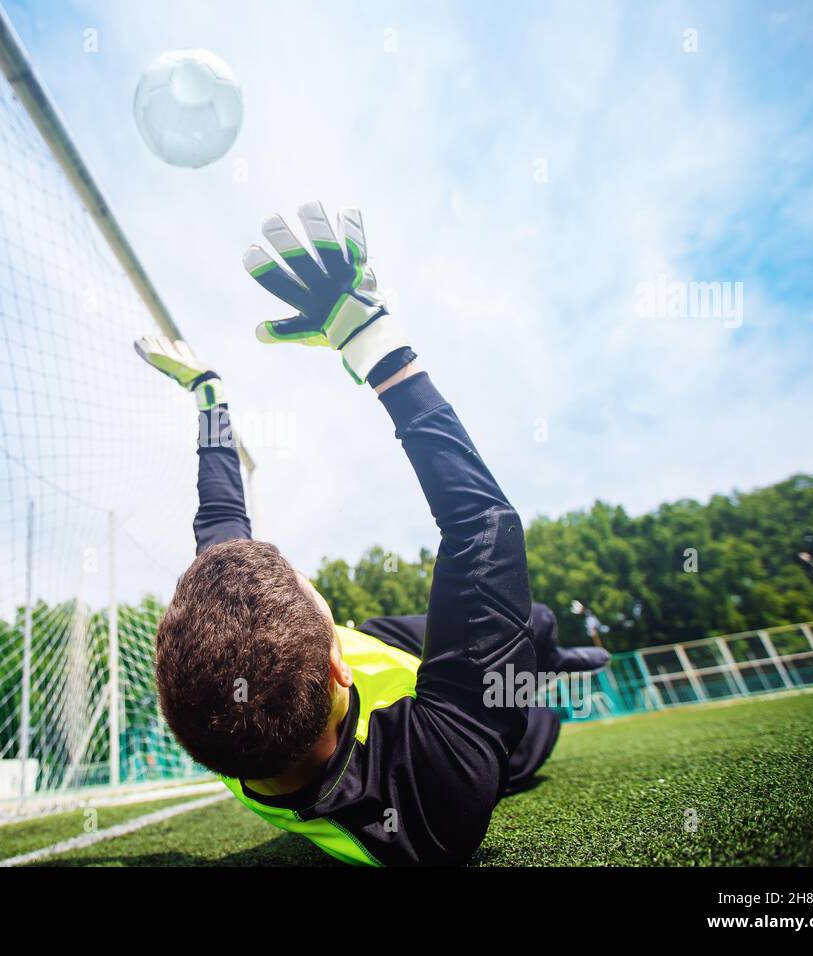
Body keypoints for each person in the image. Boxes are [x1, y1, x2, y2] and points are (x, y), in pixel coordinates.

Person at [134, 202, 609, 865]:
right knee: (525, 640)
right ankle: (549, 666)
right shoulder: (435, 792)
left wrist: (210, 394)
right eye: (313, 596)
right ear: (336, 664)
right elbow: (482, 527)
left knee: (534, 623)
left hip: (384, 656)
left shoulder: (220, 716)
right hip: (498, 723)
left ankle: (549, 646)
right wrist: (372, 340)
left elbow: (220, 516)